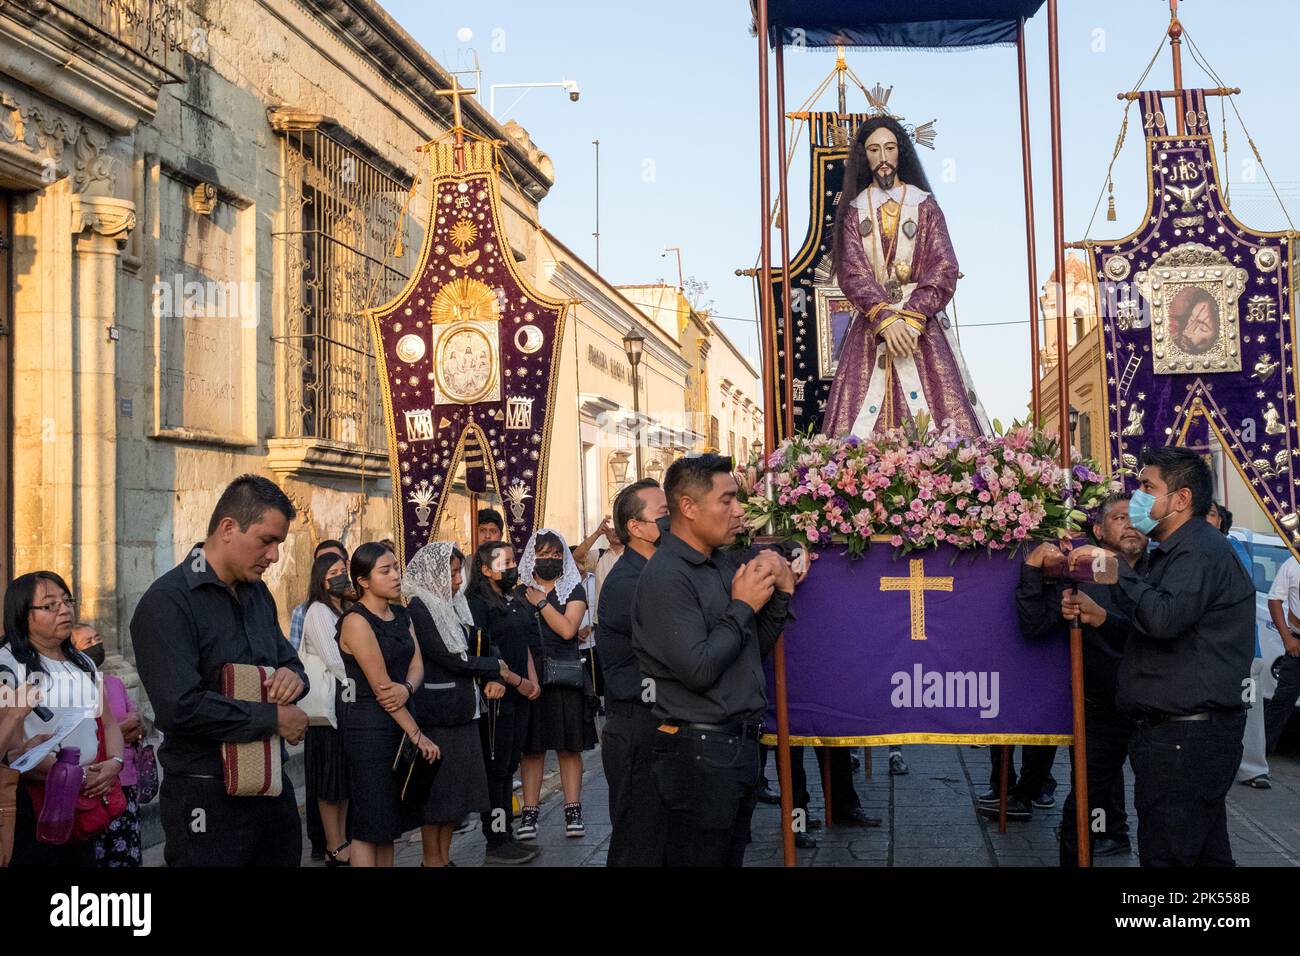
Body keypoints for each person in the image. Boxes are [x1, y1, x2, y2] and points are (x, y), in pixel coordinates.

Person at [132, 475, 309, 867]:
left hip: (270, 788)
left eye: (279, 543)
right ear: (228, 528)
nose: (275, 556)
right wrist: (273, 718)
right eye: (267, 540)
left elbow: (288, 660)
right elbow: (180, 706)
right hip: (206, 797)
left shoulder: (257, 593)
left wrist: (293, 677)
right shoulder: (167, 603)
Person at [632, 453, 798, 867]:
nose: (739, 511)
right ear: (688, 507)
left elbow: (748, 649)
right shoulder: (667, 576)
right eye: (727, 500)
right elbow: (699, 669)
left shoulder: (717, 563)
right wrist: (742, 606)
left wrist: (781, 594)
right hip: (698, 754)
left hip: (735, 748)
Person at [1112, 446, 1255, 867]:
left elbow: (1163, 619)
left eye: (1147, 487)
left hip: (1184, 740)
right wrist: (1104, 616)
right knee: (1205, 856)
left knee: (1169, 856)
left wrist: (1117, 569)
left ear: (1180, 499)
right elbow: (1162, 633)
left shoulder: (1199, 551)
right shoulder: (1175, 552)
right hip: (1180, 737)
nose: (1137, 497)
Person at [823, 114, 988, 439]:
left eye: (889, 148)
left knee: (942, 416)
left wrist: (912, 318)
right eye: (873, 150)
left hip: (921, 329)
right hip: (874, 330)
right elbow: (852, 271)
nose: (883, 158)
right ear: (863, 156)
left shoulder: (925, 206)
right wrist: (885, 318)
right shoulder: (855, 211)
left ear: (901, 152)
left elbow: (944, 266)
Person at [1019, 492, 1146, 863]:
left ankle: (1117, 833)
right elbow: (1034, 626)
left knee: (1160, 803)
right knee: (1086, 798)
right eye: (1119, 518)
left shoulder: (1165, 569)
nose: (1130, 524)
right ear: (1097, 529)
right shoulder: (1077, 574)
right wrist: (1030, 570)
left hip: (1155, 708)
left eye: (1135, 517)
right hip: (1099, 709)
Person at [405, 541, 523, 867]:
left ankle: (444, 858)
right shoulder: (420, 606)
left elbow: (481, 642)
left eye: (459, 572)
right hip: (439, 715)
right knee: (437, 798)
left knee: (453, 802)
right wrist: (493, 668)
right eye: (453, 573)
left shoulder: (455, 605)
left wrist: (494, 667)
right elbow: (449, 657)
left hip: (464, 712)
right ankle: (432, 860)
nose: (458, 580)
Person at [2, 572, 124, 867]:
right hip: (35, 800)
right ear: (23, 614)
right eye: (50, 605)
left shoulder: (81, 662)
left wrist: (115, 763)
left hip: (87, 796)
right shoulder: (8, 663)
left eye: (67, 601)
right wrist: (75, 777)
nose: (65, 610)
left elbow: (107, 722)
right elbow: (13, 749)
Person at [337, 541, 440, 867]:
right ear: (363, 581)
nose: (396, 575)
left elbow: (417, 665)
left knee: (389, 825)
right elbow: (382, 689)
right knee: (370, 823)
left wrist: (408, 689)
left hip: (402, 719)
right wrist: (417, 735)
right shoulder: (356, 621)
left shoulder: (402, 613)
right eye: (386, 570)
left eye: (396, 567)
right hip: (370, 730)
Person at [598, 478, 669, 865]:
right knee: (638, 842)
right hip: (637, 726)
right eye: (664, 515)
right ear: (635, 527)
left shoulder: (657, 570)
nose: (674, 521)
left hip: (658, 721)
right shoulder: (629, 582)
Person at [466, 540, 541, 864]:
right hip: (498, 697)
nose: (511, 567)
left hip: (521, 693)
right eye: (504, 563)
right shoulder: (477, 604)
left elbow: (522, 640)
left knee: (509, 766)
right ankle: (495, 840)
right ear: (485, 570)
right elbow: (485, 651)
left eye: (513, 561)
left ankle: (508, 835)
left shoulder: (512, 599)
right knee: (496, 771)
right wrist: (517, 681)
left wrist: (532, 678)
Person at [516, 529, 594, 840]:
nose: (549, 559)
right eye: (543, 554)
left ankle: (573, 809)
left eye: (555, 553)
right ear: (531, 558)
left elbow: (567, 629)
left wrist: (542, 603)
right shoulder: (520, 591)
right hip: (531, 675)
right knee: (531, 749)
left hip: (564, 675)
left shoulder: (573, 589)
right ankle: (530, 813)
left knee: (569, 746)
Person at [72, 622, 145, 868]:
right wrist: (120, 729)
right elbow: (85, 734)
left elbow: (137, 724)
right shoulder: (72, 687)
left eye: (97, 638)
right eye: (88, 642)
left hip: (126, 779)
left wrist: (124, 729)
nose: (96, 645)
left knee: (127, 853)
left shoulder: (114, 683)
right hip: (95, 784)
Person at [1209, 504, 1271, 789]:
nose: (1205, 518)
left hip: (1244, 647)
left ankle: (1253, 768)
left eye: (1211, 514)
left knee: (1250, 708)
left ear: (1222, 523)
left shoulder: (1233, 548)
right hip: (1208, 650)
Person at [292, 539, 348, 860]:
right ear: (320, 580)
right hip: (330, 706)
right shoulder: (317, 611)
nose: (341, 576)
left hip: (346, 702)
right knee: (329, 779)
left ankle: (342, 839)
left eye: (343, 570)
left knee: (344, 778)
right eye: (333, 573)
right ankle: (333, 844)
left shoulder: (347, 607)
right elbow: (336, 659)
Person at [1265, 551, 1300, 756]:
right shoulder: (1293, 563)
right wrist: (1287, 639)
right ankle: (1261, 757)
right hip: (1297, 645)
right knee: (1282, 702)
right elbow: (1274, 599)